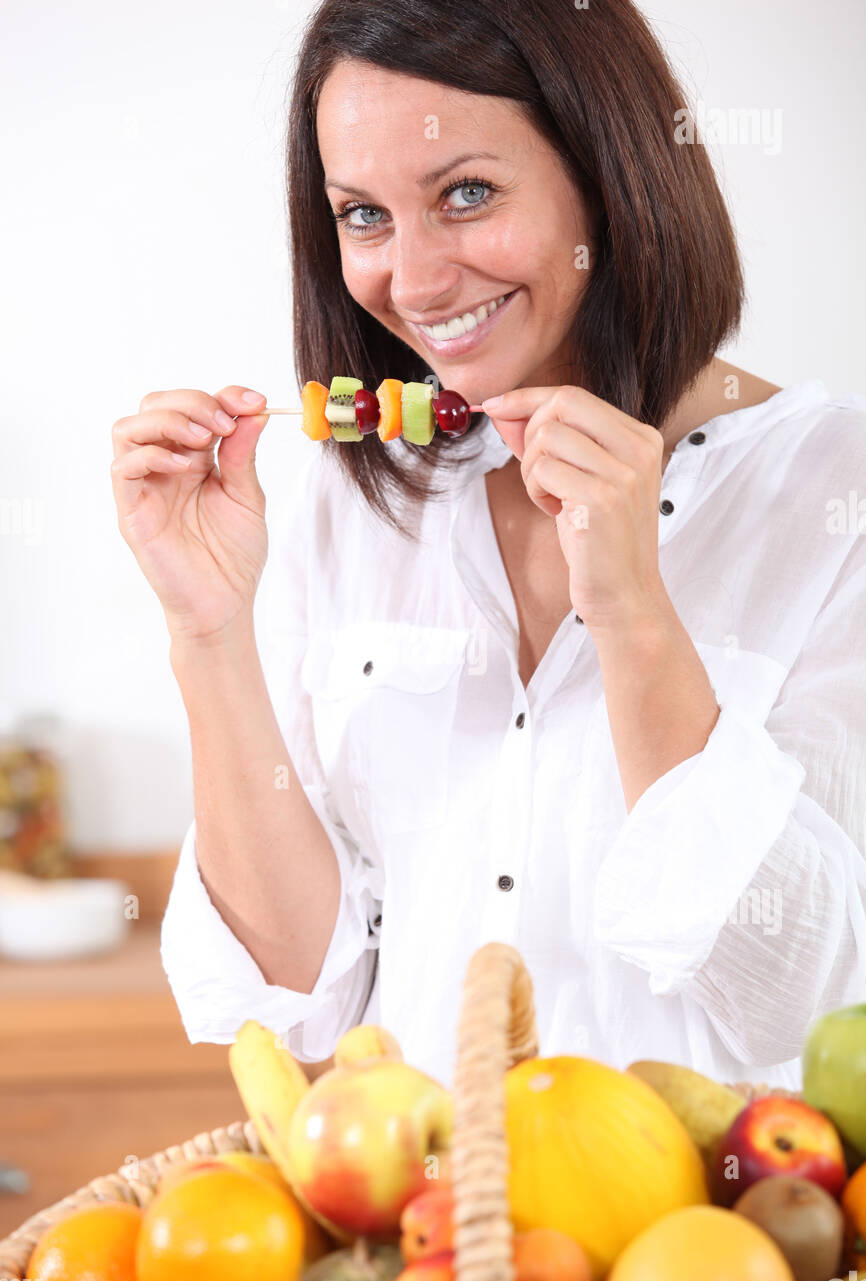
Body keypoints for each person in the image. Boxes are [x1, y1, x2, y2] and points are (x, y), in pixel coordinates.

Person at [110, 0, 866, 1090]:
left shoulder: (832, 490)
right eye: (362, 215)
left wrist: (634, 619)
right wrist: (207, 630)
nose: (408, 284)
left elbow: (809, 994)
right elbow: (299, 1002)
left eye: (464, 194)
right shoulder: (350, 497)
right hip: (426, 1237)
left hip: (700, 1245)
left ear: (610, 180)